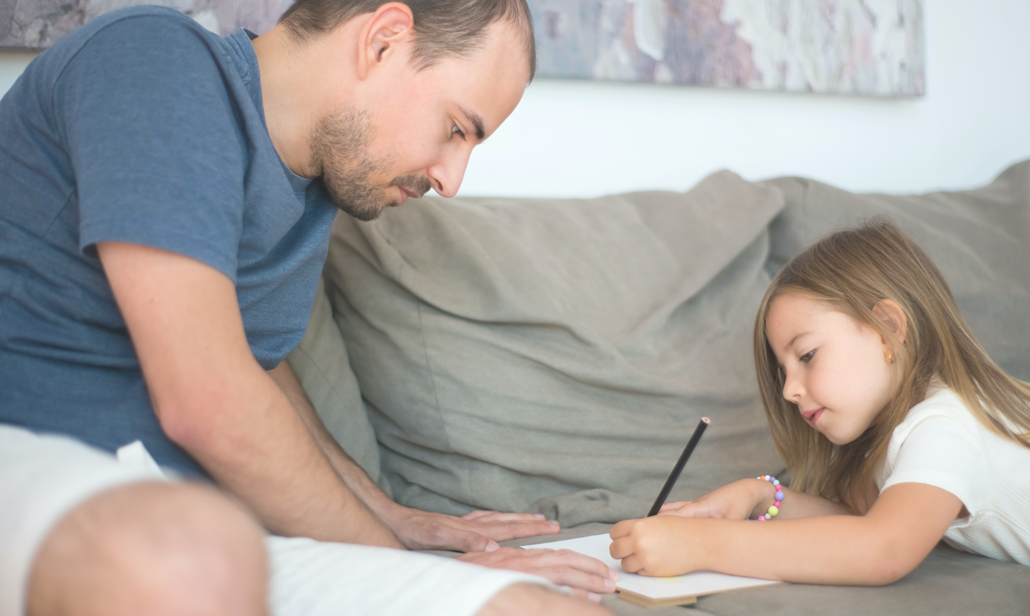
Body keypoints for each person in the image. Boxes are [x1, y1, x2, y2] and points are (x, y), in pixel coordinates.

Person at [0, 1, 615, 614]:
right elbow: (210, 401)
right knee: (184, 560)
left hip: (217, 526)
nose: (452, 180)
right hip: (53, 474)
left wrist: (387, 515)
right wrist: (397, 566)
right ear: (383, 40)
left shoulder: (315, 186)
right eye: (457, 129)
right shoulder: (155, 60)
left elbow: (245, 363)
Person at [608, 220, 1030, 584]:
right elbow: (858, 521)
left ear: (889, 328)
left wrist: (702, 545)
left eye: (806, 355)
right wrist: (760, 495)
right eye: (784, 371)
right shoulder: (903, 437)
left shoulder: (945, 425)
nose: (788, 390)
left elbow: (881, 547)